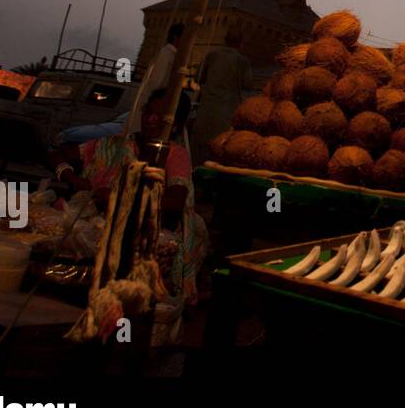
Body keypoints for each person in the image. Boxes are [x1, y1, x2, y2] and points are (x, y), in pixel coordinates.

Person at [51, 88, 207, 307]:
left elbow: (174, 202)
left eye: (160, 117)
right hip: (92, 230)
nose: (151, 120)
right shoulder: (112, 145)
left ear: (176, 126)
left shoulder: (174, 155)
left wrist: (119, 198)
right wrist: (68, 174)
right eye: (148, 112)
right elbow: (58, 154)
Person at [191, 26, 254, 166]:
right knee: (220, 147)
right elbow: (248, 84)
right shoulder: (242, 61)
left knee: (199, 147)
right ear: (240, 43)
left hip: (206, 108)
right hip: (227, 111)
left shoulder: (212, 55)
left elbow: (197, 77)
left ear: (225, 40)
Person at [125, 22, 183, 139]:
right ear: (176, 37)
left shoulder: (168, 54)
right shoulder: (166, 54)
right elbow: (156, 82)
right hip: (153, 107)